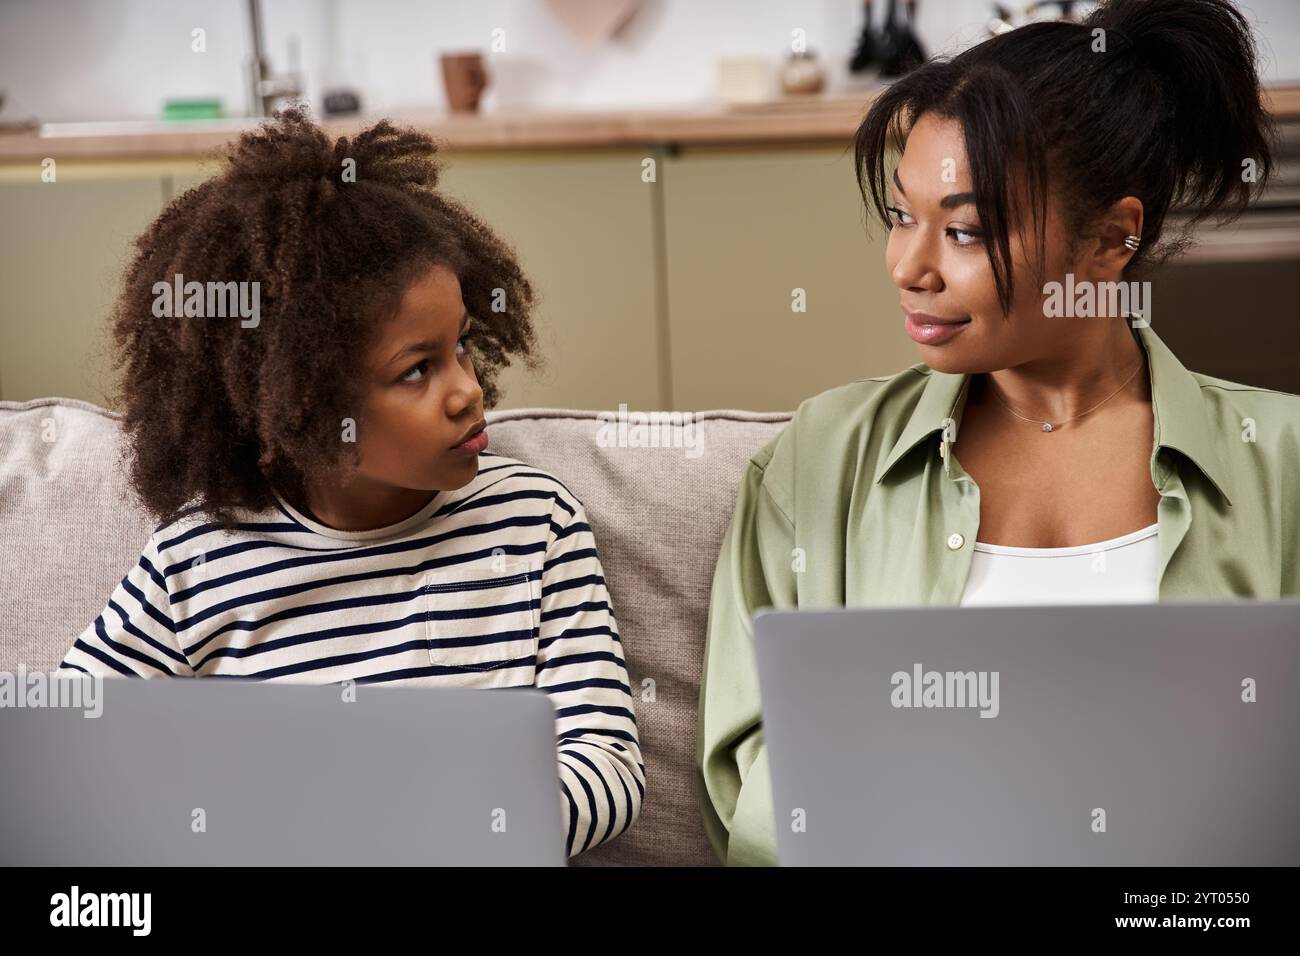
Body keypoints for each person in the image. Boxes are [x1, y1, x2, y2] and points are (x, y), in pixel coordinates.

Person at [697, 0, 1299, 866]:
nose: (909, 267)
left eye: (967, 230)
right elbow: (750, 779)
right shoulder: (821, 460)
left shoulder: (1282, 462)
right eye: (903, 216)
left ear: (1111, 239)